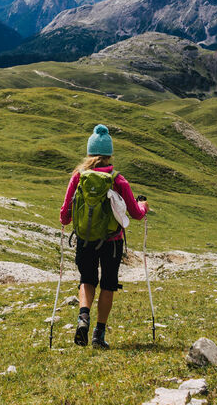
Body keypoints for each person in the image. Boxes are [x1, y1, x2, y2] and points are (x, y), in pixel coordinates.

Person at [59, 124, 148, 349]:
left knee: (87, 280)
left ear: (89, 153)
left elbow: (64, 217)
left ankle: (83, 318)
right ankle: (99, 334)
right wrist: (143, 205)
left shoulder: (78, 177)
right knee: (108, 285)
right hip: (112, 242)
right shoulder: (118, 180)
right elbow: (136, 214)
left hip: (85, 240)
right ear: (109, 154)